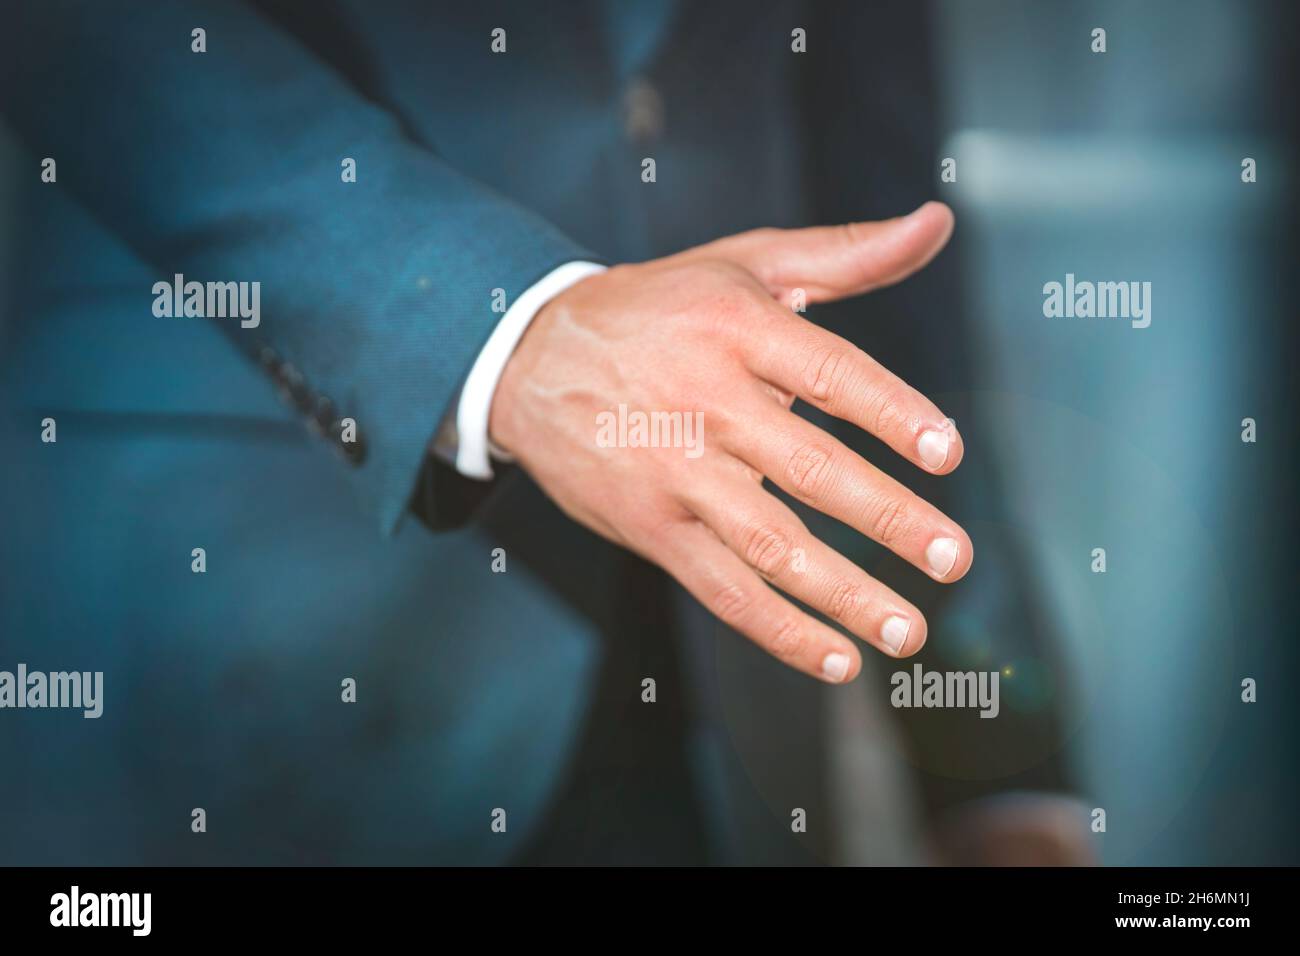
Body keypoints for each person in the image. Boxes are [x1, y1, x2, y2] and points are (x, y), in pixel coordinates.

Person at [0, 0, 1081, 865]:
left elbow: (880, 235)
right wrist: (504, 331)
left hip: (720, 695)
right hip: (256, 624)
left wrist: (987, 745)